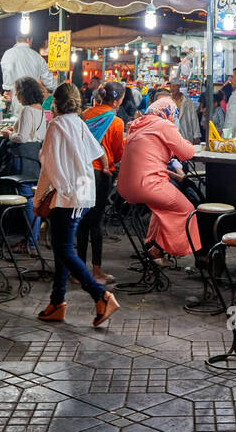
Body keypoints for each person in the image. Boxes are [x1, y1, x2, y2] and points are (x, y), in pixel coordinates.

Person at [33, 82, 120, 327]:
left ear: (56, 104)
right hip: (84, 191)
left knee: (63, 250)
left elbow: (48, 168)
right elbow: (97, 152)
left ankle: (101, 296)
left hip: (67, 193)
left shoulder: (55, 126)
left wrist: (38, 198)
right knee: (63, 247)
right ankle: (57, 303)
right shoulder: (80, 125)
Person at [117, 93, 200, 266]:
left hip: (125, 186)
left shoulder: (138, 124)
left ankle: (154, 250)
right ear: (170, 112)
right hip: (148, 185)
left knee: (161, 208)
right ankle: (168, 249)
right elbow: (186, 153)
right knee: (187, 208)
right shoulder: (163, 125)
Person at [77, 82, 125, 285]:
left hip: (81, 171)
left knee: (80, 219)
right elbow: (117, 153)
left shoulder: (86, 114)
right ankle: (96, 271)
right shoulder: (116, 122)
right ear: (117, 100)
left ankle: (78, 270)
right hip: (101, 174)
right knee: (95, 222)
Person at [0, 77, 49, 255]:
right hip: (35, 155)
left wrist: (8, 135)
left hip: (23, 157)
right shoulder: (41, 111)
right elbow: (38, 134)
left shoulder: (28, 110)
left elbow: (21, 138)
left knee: (28, 198)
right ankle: (30, 240)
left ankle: (31, 242)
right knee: (32, 197)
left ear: (23, 92)